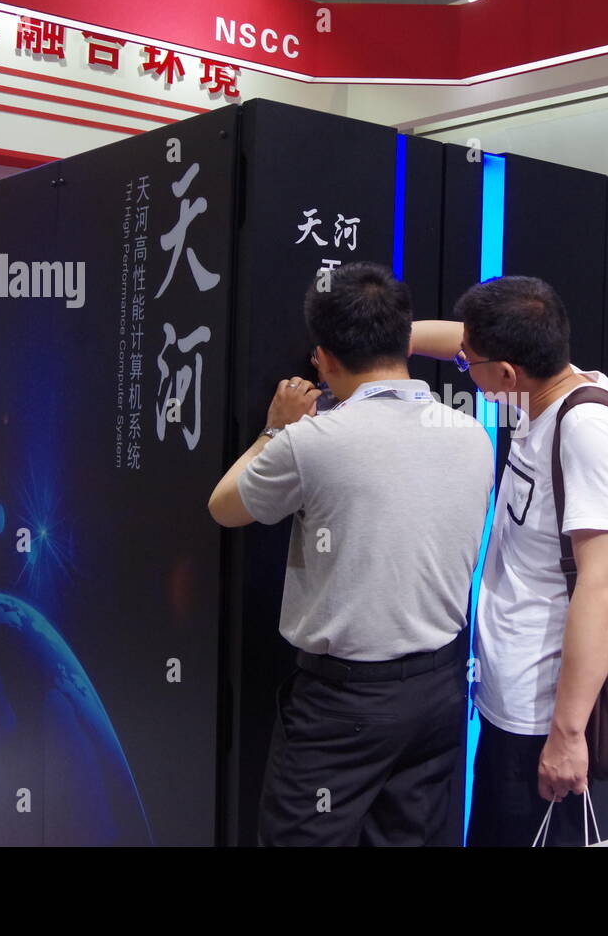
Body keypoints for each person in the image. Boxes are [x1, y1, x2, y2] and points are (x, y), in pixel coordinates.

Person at [207, 262, 494, 846]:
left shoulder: (311, 443)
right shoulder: (473, 434)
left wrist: (275, 429)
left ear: (324, 357)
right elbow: (463, 339)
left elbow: (224, 507)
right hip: (440, 689)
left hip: (345, 702)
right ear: (405, 339)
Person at [410, 276, 608, 847]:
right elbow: (464, 341)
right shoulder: (549, 391)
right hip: (511, 693)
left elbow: (604, 585)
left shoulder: (587, 430)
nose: (468, 374)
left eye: (472, 367)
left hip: (541, 712)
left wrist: (566, 734)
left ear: (507, 373)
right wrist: (381, 339)